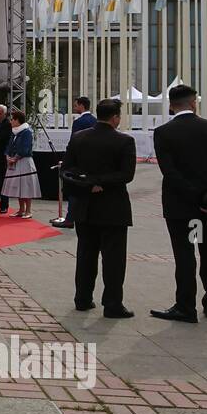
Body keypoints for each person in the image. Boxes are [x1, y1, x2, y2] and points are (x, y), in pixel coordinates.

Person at [150, 84, 207, 323]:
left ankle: (186, 305)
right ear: (194, 103)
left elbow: (170, 172)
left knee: (185, 255)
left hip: (180, 205)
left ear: (171, 105)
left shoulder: (164, 132)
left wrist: (193, 196)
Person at [63, 99, 136, 318]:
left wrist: (87, 182)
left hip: (85, 206)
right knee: (113, 259)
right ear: (115, 118)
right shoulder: (124, 141)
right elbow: (126, 175)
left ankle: (82, 298)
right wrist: (99, 181)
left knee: (85, 254)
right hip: (113, 207)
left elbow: (67, 170)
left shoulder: (79, 138)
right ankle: (112, 304)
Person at [58, 96, 97, 229]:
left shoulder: (79, 122)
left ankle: (70, 219)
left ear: (81, 106)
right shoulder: (94, 120)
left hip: (79, 161)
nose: (75, 108)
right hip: (93, 160)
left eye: (76, 105)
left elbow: (74, 141)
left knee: (74, 191)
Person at [1, 109, 38, 219]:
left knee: (26, 186)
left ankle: (28, 210)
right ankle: (21, 209)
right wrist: (7, 156)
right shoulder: (14, 132)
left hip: (24, 161)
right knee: (18, 186)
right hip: (14, 161)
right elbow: (9, 146)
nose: (11, 121)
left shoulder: (26, 132)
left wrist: (15, 158)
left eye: (12, 119)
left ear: (17, 120)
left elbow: (25, 148)